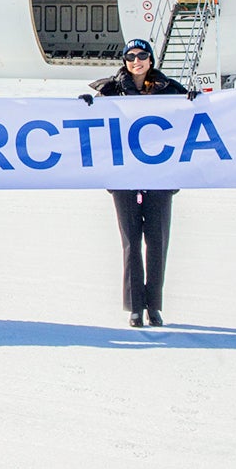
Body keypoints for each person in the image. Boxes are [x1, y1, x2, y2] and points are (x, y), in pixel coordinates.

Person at [80, 38, 196, 327]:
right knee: (132, 241)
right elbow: (92, 119)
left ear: (151, 59)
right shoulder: (110, 90)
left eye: (142, 55)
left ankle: (153, 305)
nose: (136, 61)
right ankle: (134, 306)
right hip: (124, 175)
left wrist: (196, 100)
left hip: (159, 175)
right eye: (130, 56)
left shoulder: (170, 90)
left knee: (157, 241)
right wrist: (84, 106)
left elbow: (191, 115)